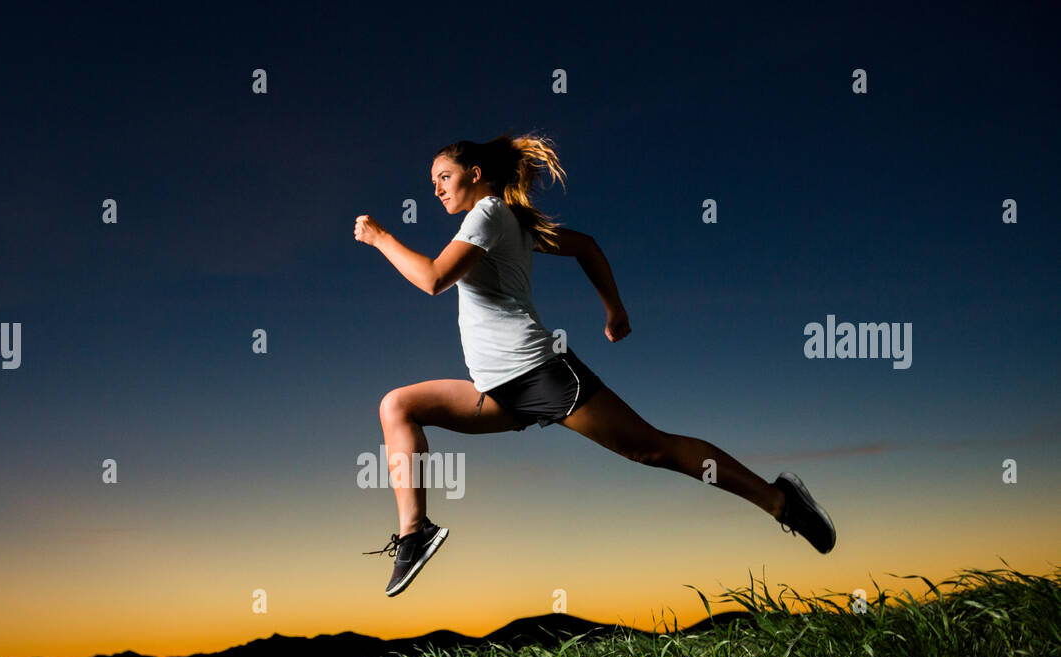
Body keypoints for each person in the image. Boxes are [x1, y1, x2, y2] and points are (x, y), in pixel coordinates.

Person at [354, 133, 835, 597]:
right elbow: (585, 246)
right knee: (397, 406)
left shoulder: (488, 214)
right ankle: (415, 534)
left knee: (652, 450)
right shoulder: (506, 221)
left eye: (443, 177)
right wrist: (613, 308)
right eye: (432, 182)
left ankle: (780, 500)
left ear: (474, 175)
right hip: (495, 391)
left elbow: (434, 279)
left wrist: (380, 238)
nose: (435, 189)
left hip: (540, 375)